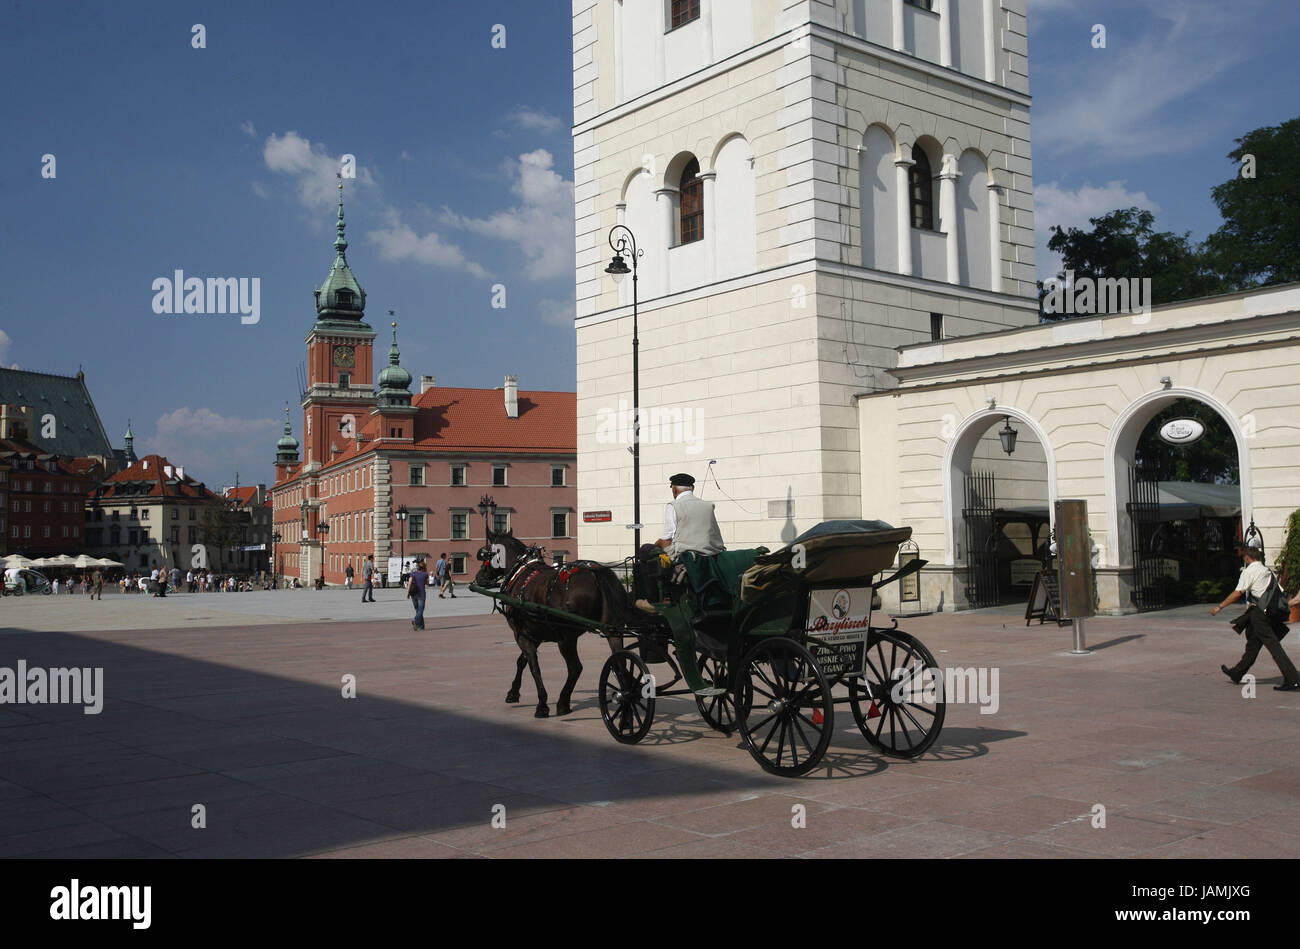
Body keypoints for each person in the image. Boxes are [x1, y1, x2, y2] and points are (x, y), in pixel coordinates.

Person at [1212, 538, 1300, 691]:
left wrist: (1220, 607)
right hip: (1266, 612)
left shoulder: (1249, 571)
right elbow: (1280, 592)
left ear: (1247, 558)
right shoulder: (1267, 571)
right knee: (1253, 645)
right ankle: (1237, 673)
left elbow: (1237, 593)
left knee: (1273, 646)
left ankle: (1293, 679)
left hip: (1259, 614)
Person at [654, 472, 726, 559]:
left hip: (687, 556)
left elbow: (667, 540)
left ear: (674, 489)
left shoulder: (673, 506)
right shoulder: (708, 505)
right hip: (712, 554)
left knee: (647, 548)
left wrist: (656, 545)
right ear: (693, 488)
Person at [408, 559, 430, 631]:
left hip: (413, 594)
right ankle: (415, 620)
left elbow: (410, 583)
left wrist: (408, 593)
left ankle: (421, 626)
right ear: (424, 567)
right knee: (420, 610)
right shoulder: (425, 574)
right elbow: (427, 584)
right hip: (421, 594)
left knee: (418, 610)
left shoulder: (413, 573)